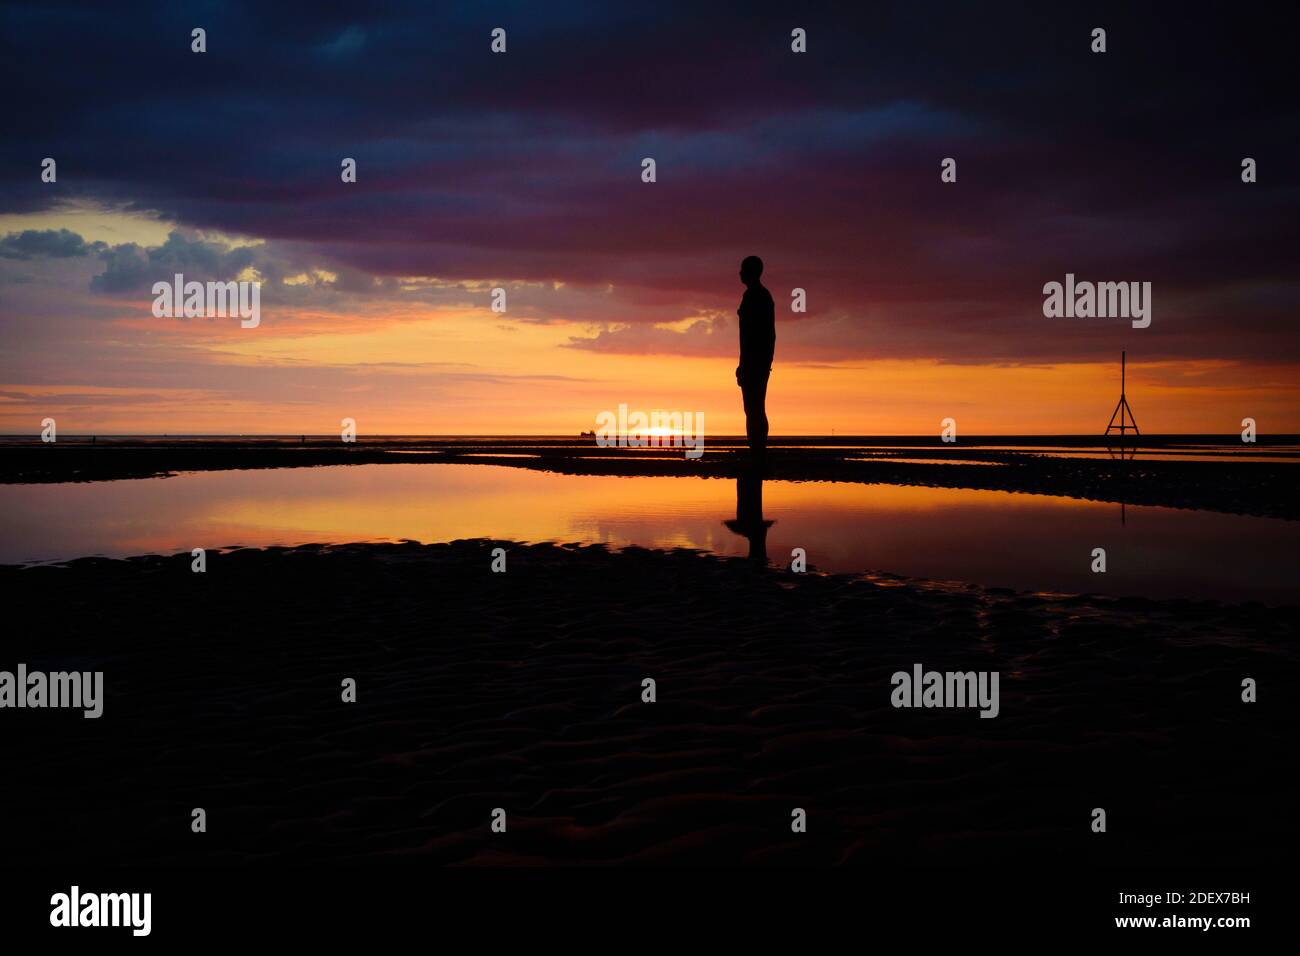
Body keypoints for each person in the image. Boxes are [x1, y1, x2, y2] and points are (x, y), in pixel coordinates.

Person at [736, 255, 774, 457]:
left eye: (743, 269)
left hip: (755, 363)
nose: (740, 273)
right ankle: (757, 448)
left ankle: (757, 449)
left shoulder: (756, 296)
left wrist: (749, 364)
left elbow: (759, 335)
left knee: (754, 407)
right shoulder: (756, 295)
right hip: (757, 362)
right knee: (754, 407)